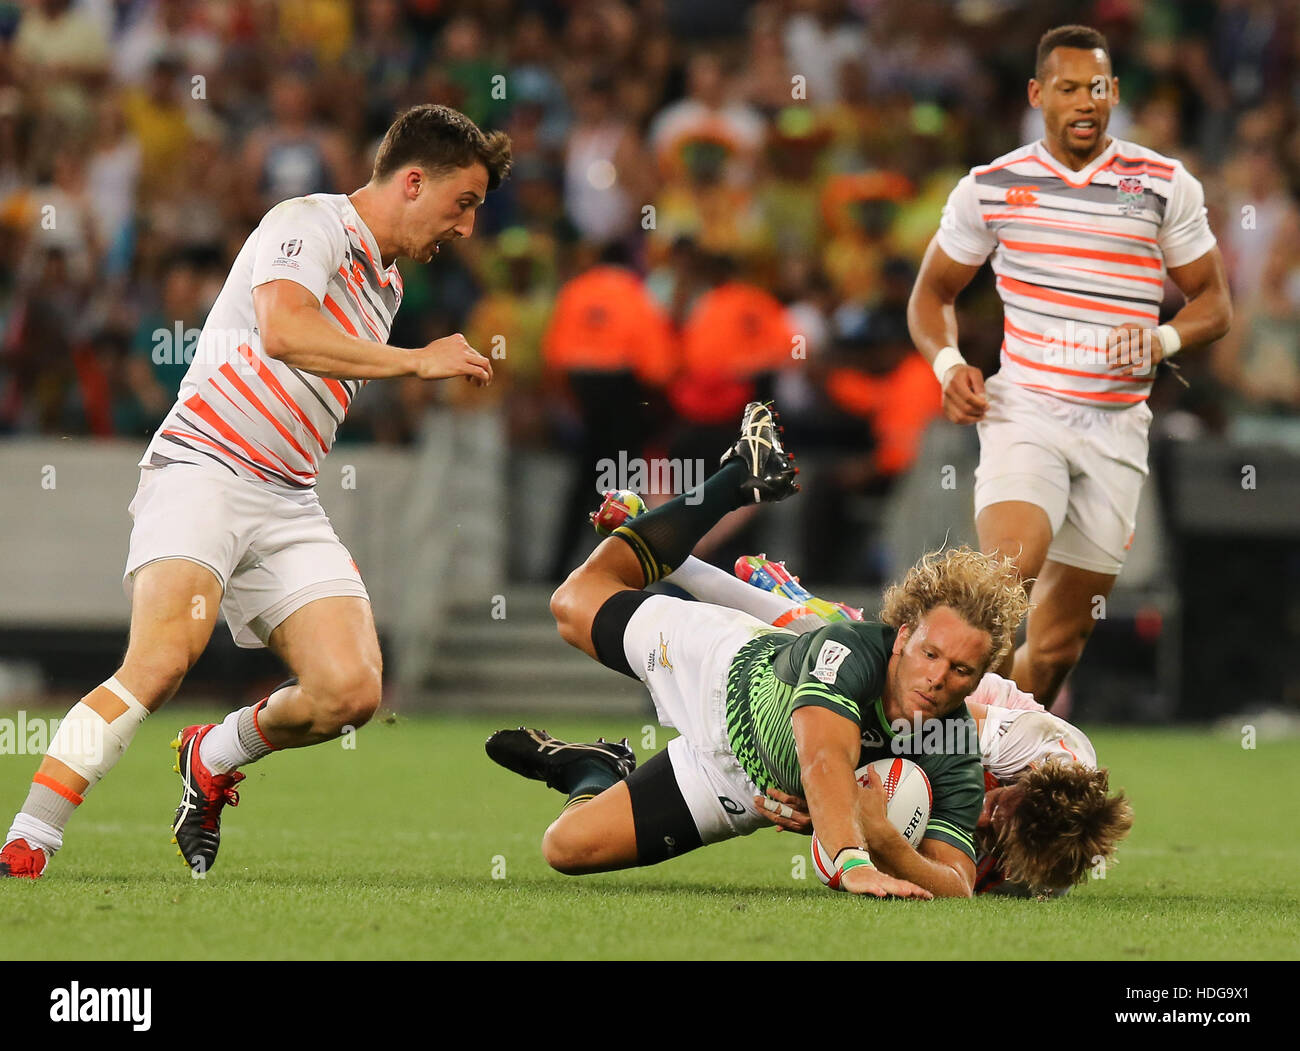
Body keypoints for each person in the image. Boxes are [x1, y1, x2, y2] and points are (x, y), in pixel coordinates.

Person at [1, 104, 512, 879]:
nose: (467, 228)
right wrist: (415, 363)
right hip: (203, 466)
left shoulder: (388, 282)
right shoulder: (307, 221)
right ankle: (28, 838)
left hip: (287, 496)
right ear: (413, 181)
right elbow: (284, 331)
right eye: (464, 202)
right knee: (162, 660)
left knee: (350, 690)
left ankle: (212, 753)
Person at [486, 405, 1030, 898]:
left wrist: (885, 842)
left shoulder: (954, 742)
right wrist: (851, 860)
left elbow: (956, 882)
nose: (939, 679)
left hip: (739, 784)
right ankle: (733, 482)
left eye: (962, 670)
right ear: (905, 635)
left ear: (980, 675)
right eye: (931, 654)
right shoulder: (851, 650)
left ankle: (594, 767)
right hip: (718, 671)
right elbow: (822, 757)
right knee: (572, 603)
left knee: (566, 848)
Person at [577, 492, 1132, 897]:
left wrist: (817, 817)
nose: (984, 819)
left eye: (994, 836)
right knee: (830, 645)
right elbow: (917, 726)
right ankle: (728, 574)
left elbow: (926, 856)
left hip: (910, 755)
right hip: (936, 708)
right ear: (1027, 780)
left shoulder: (1039, 871)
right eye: (998, 811)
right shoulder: (1034, 743)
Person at [907, 24, 1232, 708]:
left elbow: (1213, 303)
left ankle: (990, 763)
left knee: (1055, 647)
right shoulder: (993, 187)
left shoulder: (1163, 184)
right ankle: (912, 735)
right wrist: (946, 363)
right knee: (1006, 574)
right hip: (1025, 409)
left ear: (1114, 93)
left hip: (1116, 428)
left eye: (1097, 87)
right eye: (1067, 88)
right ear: (1038, 94)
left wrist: (1161, 341)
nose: (1084, 101)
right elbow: (931, 294)